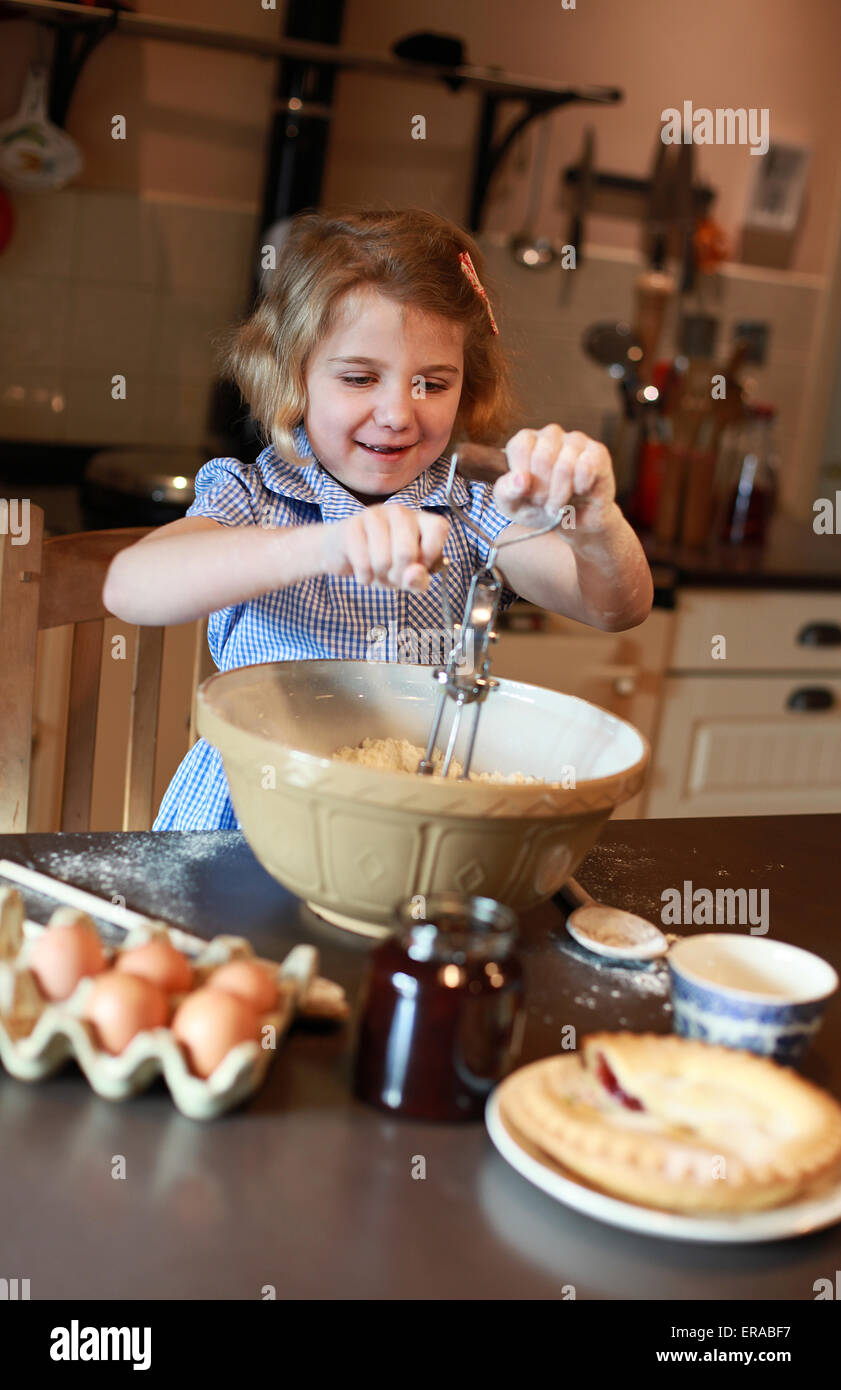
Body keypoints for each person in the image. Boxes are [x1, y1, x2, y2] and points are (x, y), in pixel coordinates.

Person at [103, 208, 653, 831]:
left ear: (467, 386)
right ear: (293, 378)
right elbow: (131, 587)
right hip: (252, 820)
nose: (397, 412)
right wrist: (322, 546)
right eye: (361, 377)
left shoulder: (473, 506)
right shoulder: (253, 496)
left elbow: (615, 606)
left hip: (407, 821)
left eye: (432, 383)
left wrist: (594, 521)